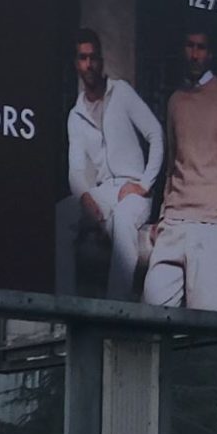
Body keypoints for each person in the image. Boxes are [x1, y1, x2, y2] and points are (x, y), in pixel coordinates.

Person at [143, 26, 217, 311]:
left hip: (214, 228)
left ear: (210, 53)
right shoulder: (175, 101)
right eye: (189, 46)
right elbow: (173, 165)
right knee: (150, 311)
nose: (194, 54)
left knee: (206, 330)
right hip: (174, 226)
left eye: (201, 47)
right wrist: (161, 216)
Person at [55, 27, 163, 299]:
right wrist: (87, 199)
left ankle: (117, 306)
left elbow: (156, 133)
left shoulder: (122, 92)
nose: (89, 64)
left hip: (133, 190)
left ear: (101, 60)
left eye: (93, 57)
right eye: (83, 58)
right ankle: (63, 306)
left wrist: (145, 183)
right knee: (61, 215)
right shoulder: (75, 115)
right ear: (76, 63)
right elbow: (76, 171)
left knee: (124, 221)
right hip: (102, 191)